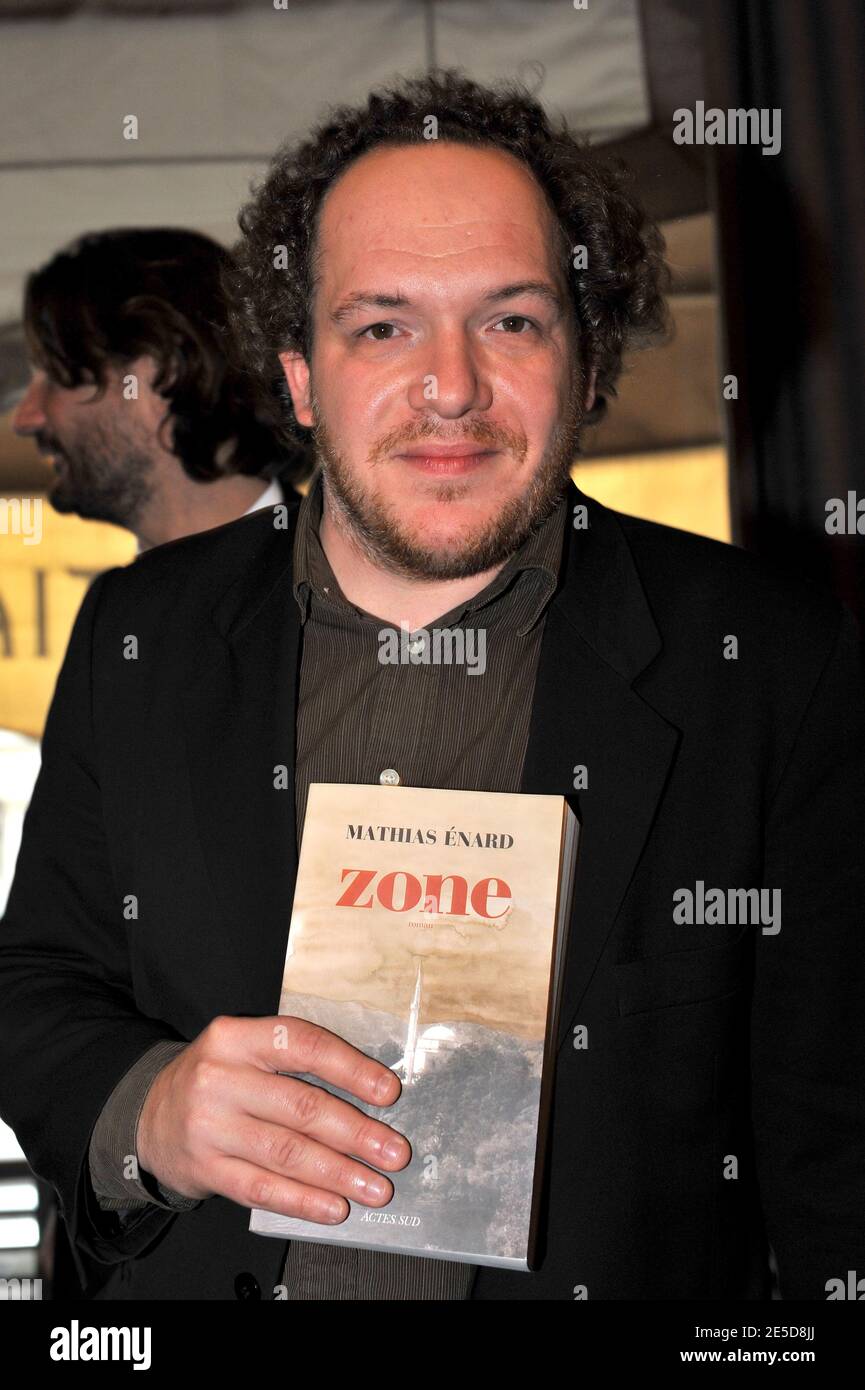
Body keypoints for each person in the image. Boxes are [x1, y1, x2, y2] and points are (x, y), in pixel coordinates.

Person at [1, 69, 863, 1302]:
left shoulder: (769, 665)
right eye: (383, 325)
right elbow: (35, 984)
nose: (449, 386)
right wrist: (151, 1110)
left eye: (510, 320)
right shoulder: (143, 631)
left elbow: (833, 1150)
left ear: (583, 352)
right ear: (300, 376)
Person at [11, 227, 312, 551]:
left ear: (160, 375)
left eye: (55, 377)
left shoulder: (336, 581)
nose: (24, 419)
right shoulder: (116, 599)